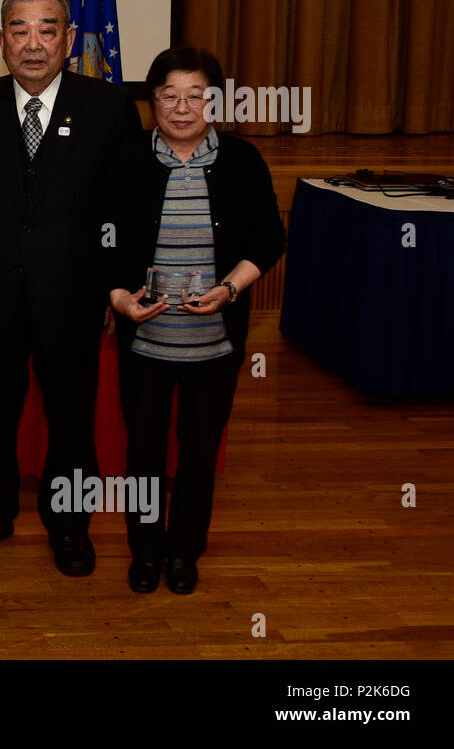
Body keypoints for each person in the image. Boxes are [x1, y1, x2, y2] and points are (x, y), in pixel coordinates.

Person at [0, 0, 142, 572]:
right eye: (20, 30)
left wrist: (115, 283)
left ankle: (70, 528)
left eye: (47, 29)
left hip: (75, 296)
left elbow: (125, 208)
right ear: (0, 40)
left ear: (69, 38)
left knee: (72, 420)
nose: (34, 44)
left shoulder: (108, 106)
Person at [106, 46, 284, 594]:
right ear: (151, 101)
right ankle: (145, 549)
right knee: (145, 452)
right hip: (146, 343)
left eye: (196, 96)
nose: (182, 108)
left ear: (215, 100)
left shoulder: (242, 161)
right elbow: (102, 240)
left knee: (200, 450)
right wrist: (118, 298)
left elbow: (270, 239)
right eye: (169, 96)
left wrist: (230, 288)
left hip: (215, 345)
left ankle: (185, 551)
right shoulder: (125, 159)